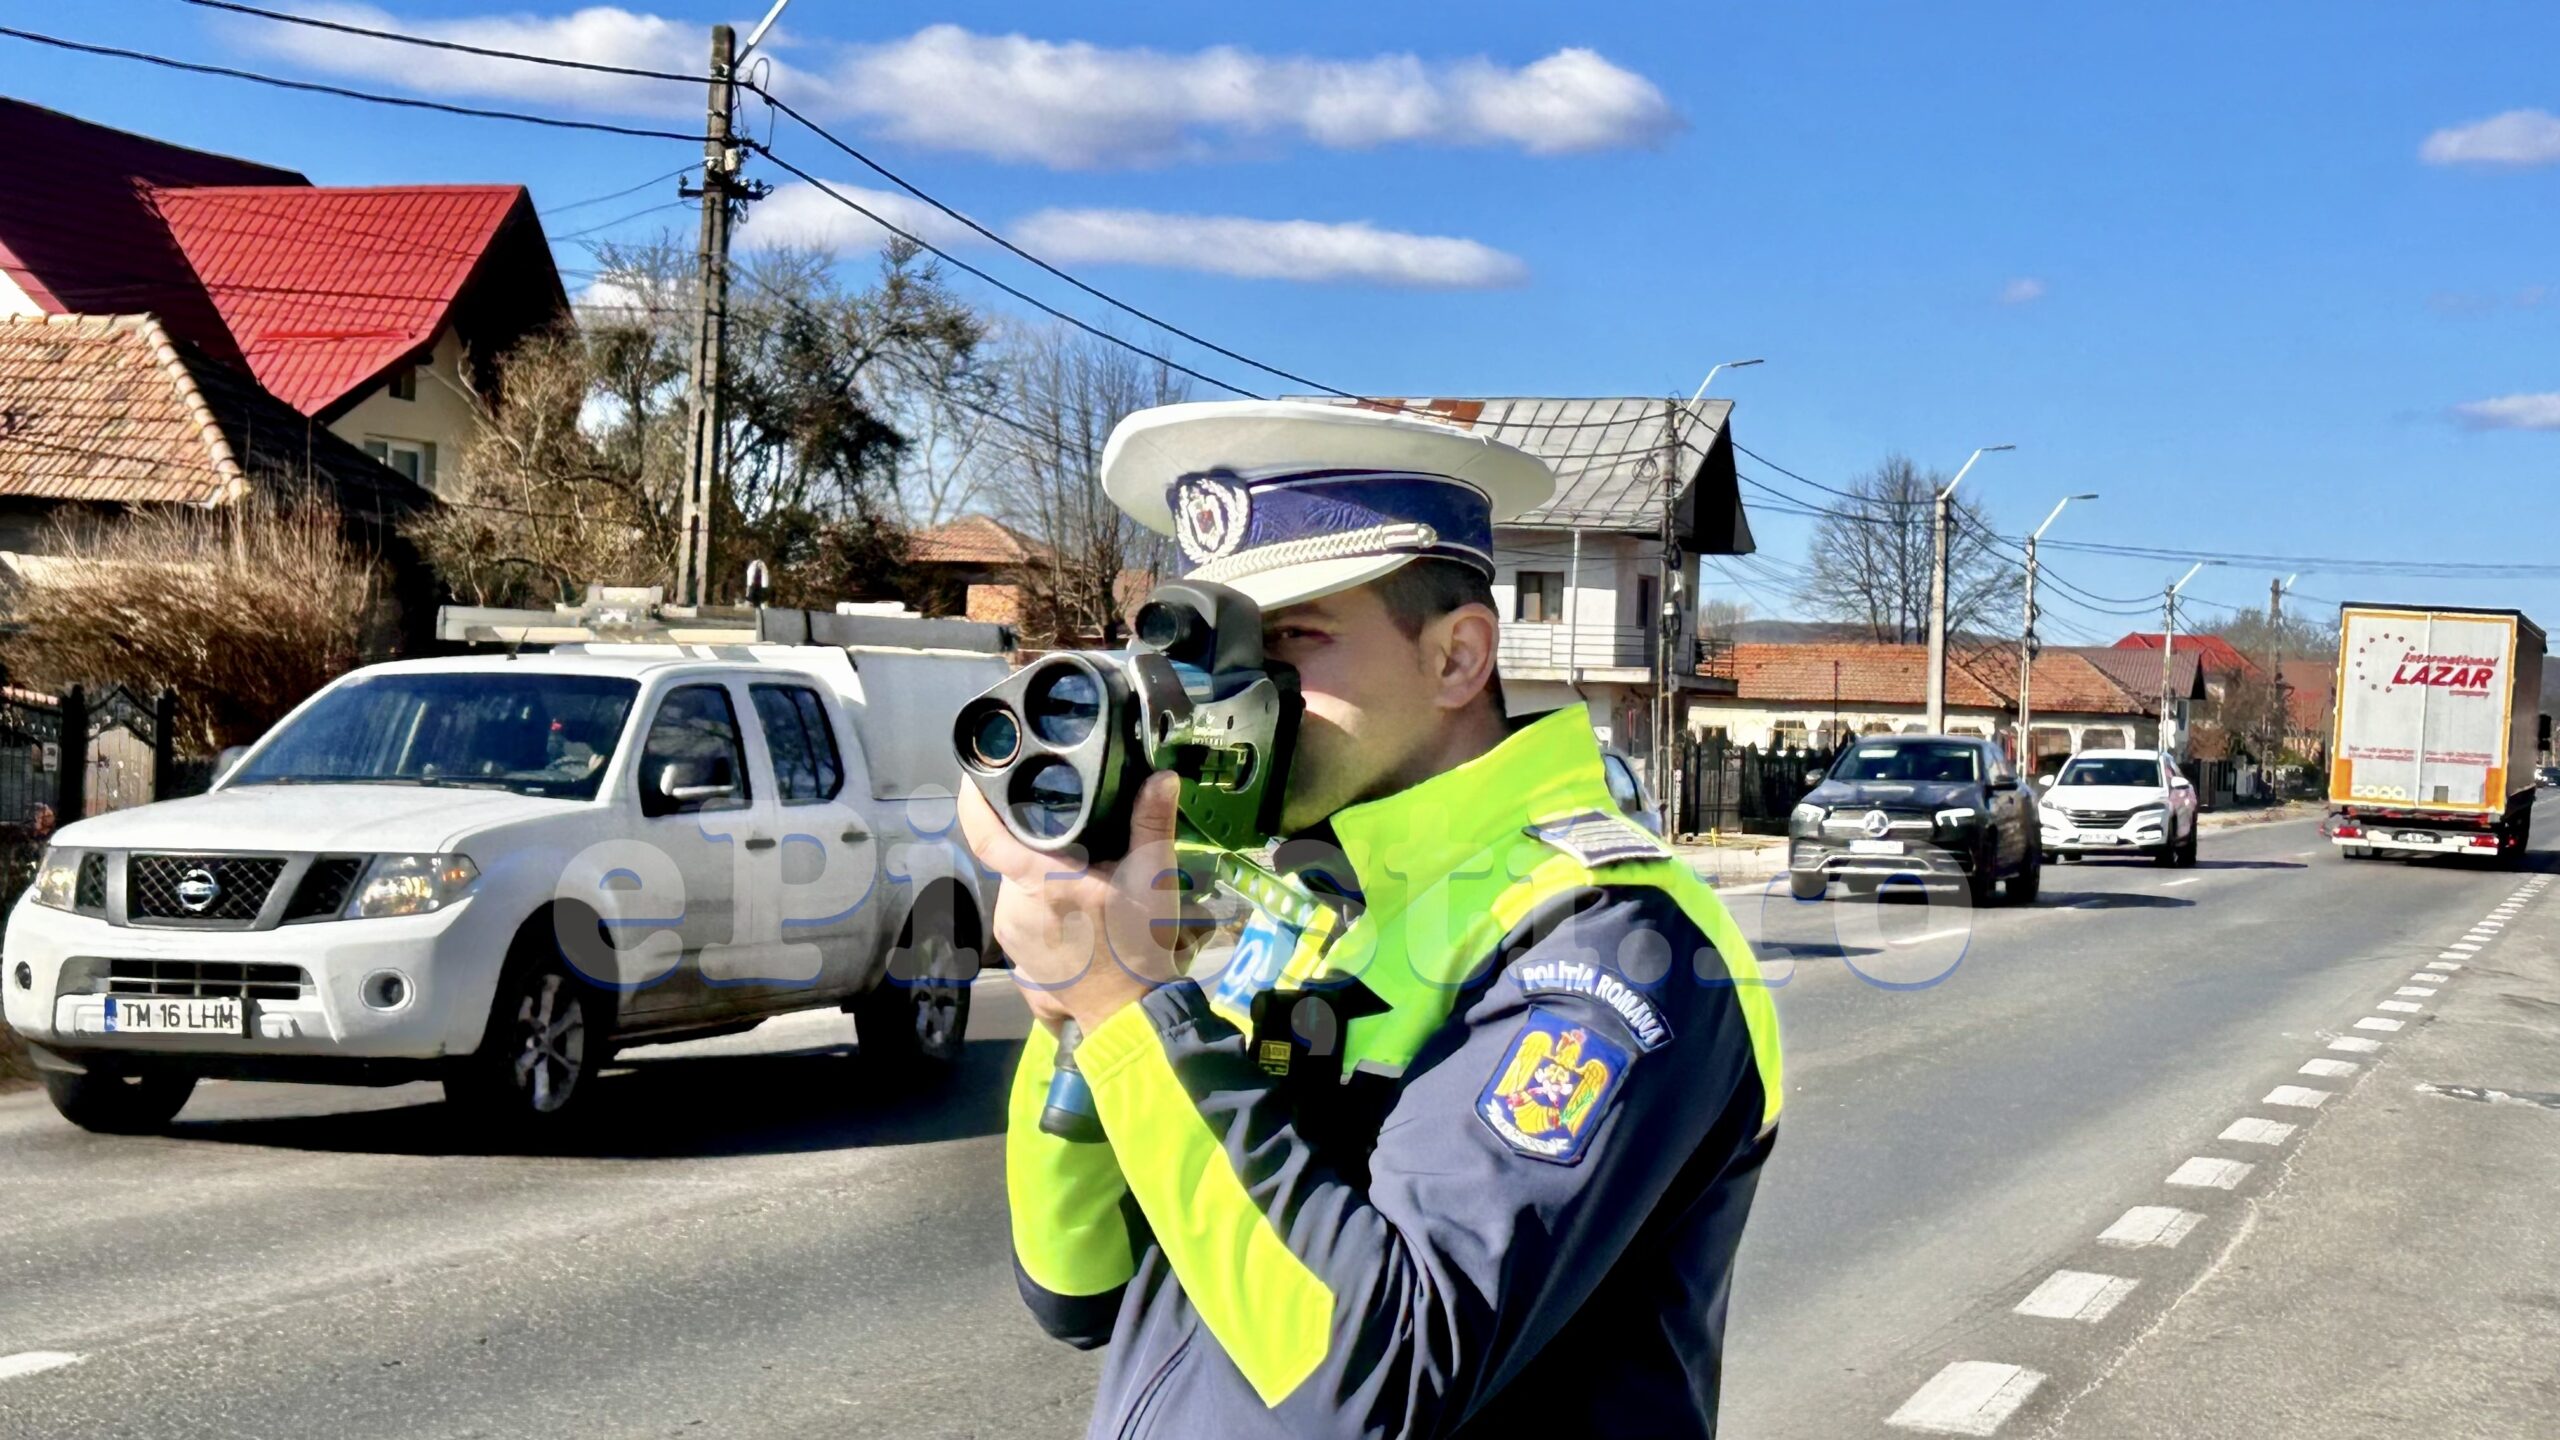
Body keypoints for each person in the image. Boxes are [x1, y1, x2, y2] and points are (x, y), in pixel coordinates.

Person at [958, 400, 1783, 1439]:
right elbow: (1081, 1287)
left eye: (1293, 639)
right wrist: (1073, 1003)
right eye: (1216, 649)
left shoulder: (1611, 938)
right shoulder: (1307, 898)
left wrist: (1127, 1010)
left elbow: (1377, 1382)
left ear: (1456, 656)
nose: (1232, 692)